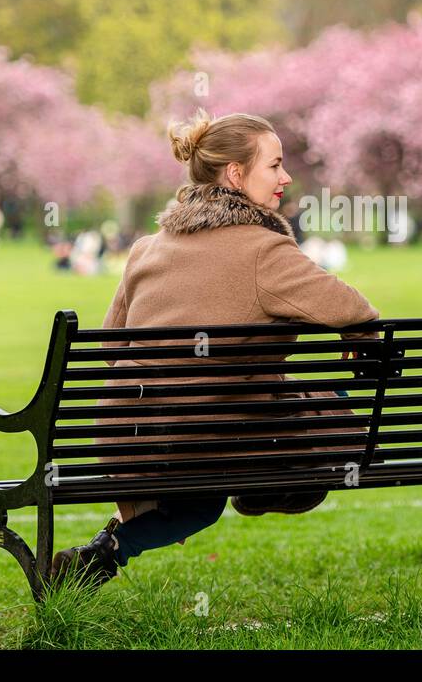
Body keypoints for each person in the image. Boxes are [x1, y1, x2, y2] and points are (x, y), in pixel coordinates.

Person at [49, 109, 380, 591]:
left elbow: (109, 343)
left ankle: (107, 551)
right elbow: (354, 308)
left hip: (126, 440)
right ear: (235, 173)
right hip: (215, 443)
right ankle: (262, 486)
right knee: (336, 415)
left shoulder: (146, 248)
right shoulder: (264, 251)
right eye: (275, 165)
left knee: (200, 506)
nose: (286, 177)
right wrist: (358, 338)